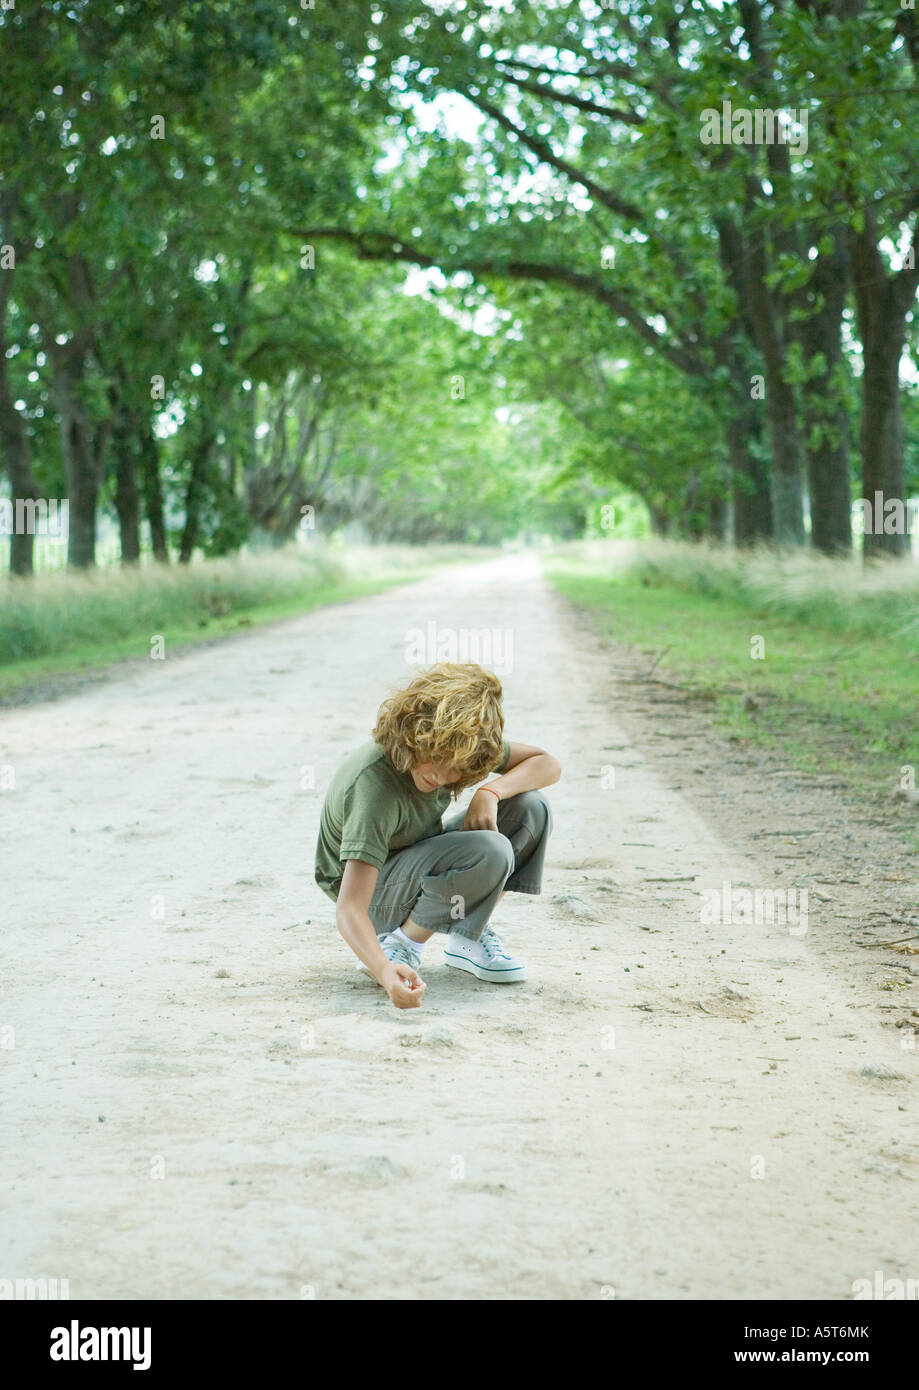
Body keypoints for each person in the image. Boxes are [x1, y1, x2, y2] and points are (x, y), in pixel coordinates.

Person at [314, 662, 560, 1010]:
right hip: (371, 900)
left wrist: (490, 791)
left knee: (530, 806)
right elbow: (350, 908)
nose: (442, 775)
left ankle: (467, 936)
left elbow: (548, 764)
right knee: (490, 849)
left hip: (412, 866)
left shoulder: (456, 747)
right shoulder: (374, 786)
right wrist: (384, 971)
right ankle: (401, 943)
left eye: (457, 765)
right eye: (436, 756)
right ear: (414, 731)